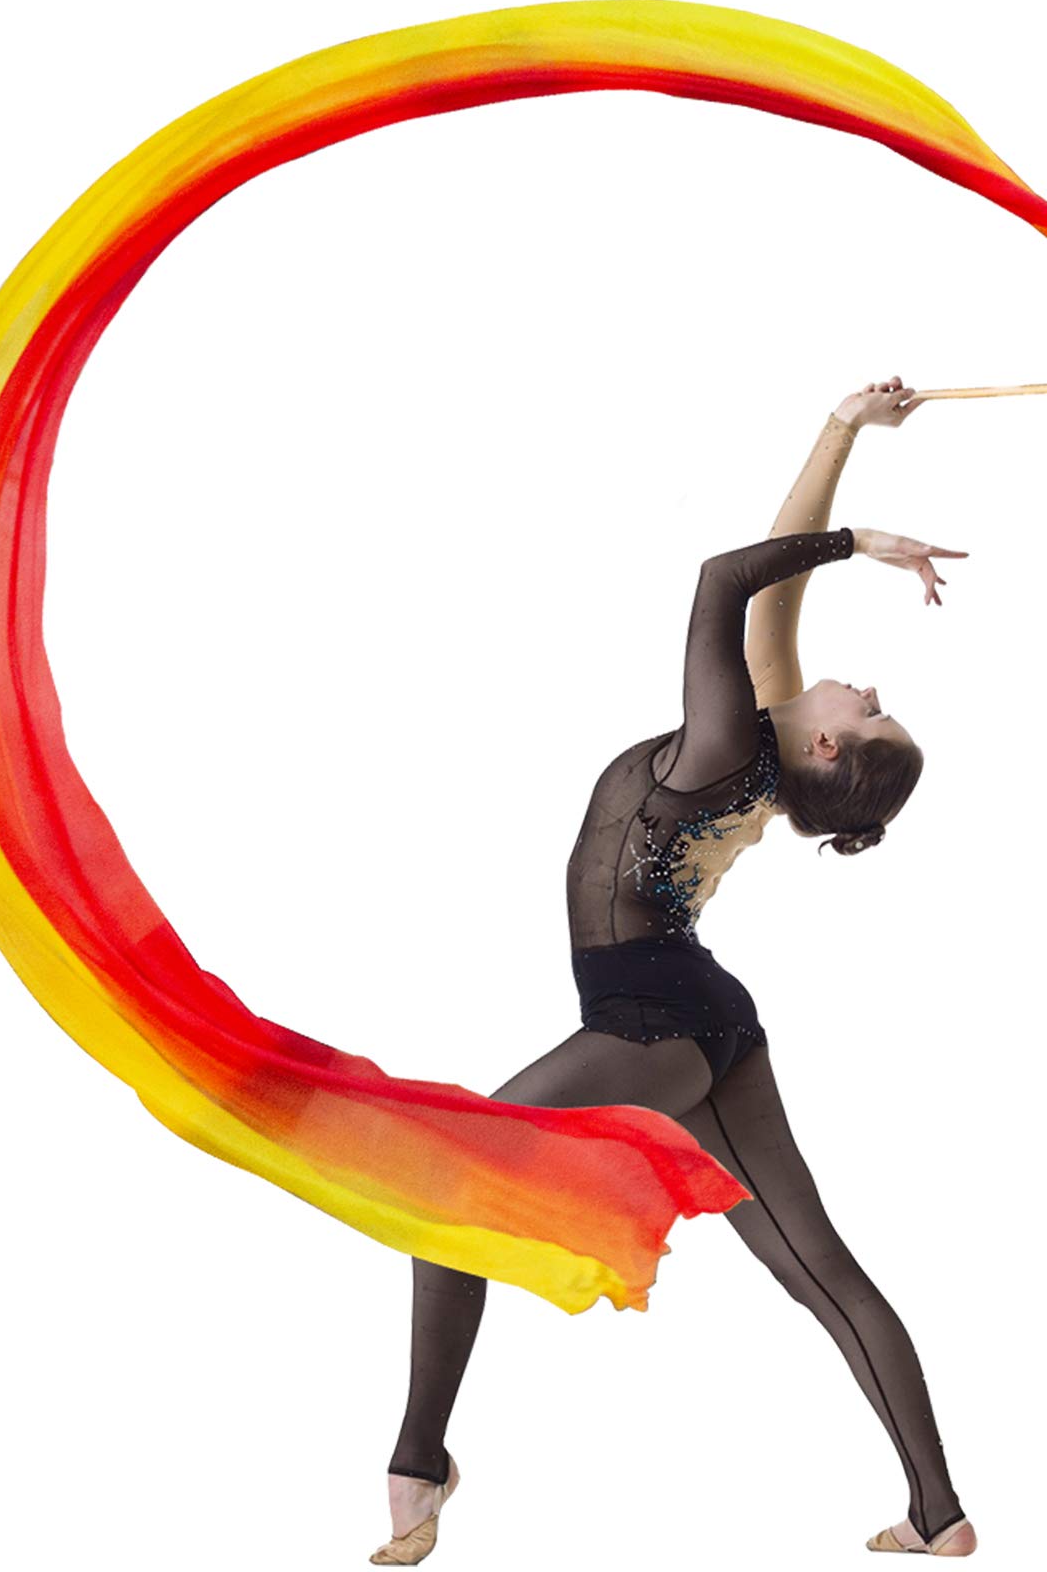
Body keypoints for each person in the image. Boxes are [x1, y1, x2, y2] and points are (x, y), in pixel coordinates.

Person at [370, 378, 977, 1563]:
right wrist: (843, 428)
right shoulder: (764, 743)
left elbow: (722, 580)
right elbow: (774, 591)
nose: (865, 687)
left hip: (654, 1020)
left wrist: (860, 541)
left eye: (872, 711)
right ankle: (938, 1512)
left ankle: (417, 1459)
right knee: (816, 1266)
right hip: (705, 1023)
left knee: (452, 1178)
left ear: (826, 744)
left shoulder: (720, 746)